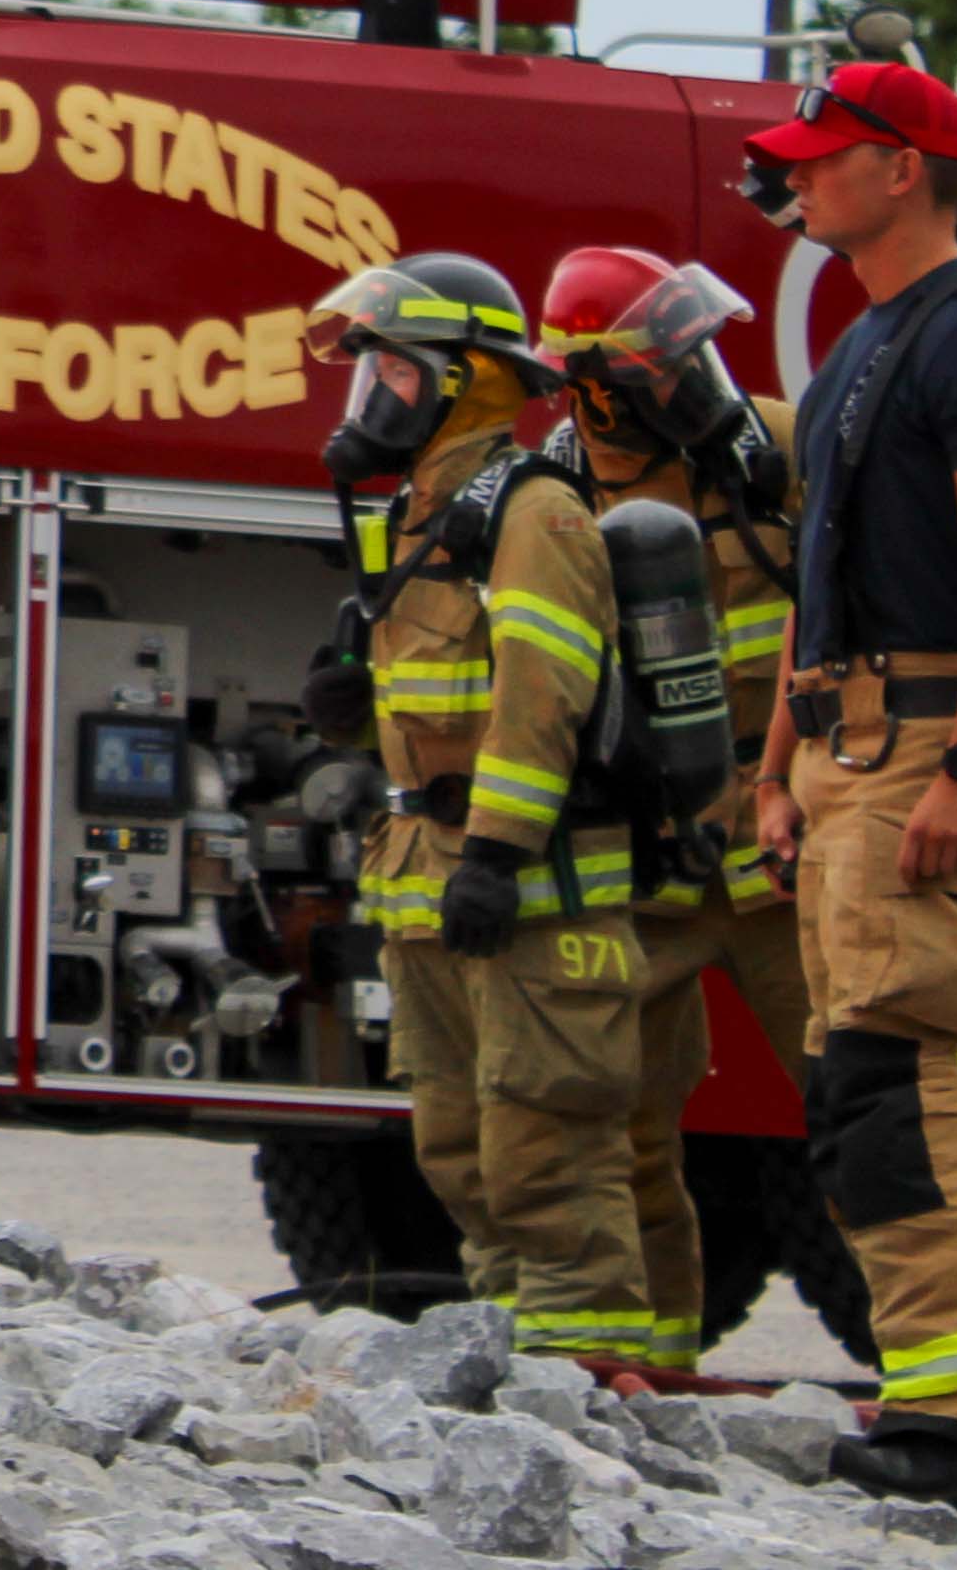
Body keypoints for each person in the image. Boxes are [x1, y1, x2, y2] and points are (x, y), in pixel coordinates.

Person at [743, 59, 957, 1500]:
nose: (796, 177)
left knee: (922, 1066)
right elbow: (815, 591)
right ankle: (937, 1390)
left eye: (823, 155)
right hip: (851, 745)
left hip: (932, 737)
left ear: (903, 168)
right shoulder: (873, 345)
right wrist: (778, 767)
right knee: (865, 1080)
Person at [314, 255, 656, 1370]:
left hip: (529, 892)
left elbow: (540, 699)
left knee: (545, 1150)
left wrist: (498, 853)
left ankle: (591, 1381)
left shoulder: (534, 509)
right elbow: (440, 706)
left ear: (464, 382)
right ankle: (518, 1370)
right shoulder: (424, 513)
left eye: (389, 374)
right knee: (460, 1150)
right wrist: (355, 717)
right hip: (427, 875)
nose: (367, 400)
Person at [536, 243, 810, 1376]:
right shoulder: (545, 498)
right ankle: (654, 1371)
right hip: (641, 860)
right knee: (624, 1127)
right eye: (669, 360)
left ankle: (951, 1380)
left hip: (785, 844)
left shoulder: (780, 450)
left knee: (869, 1104)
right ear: (598, 384)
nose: (700, 377)